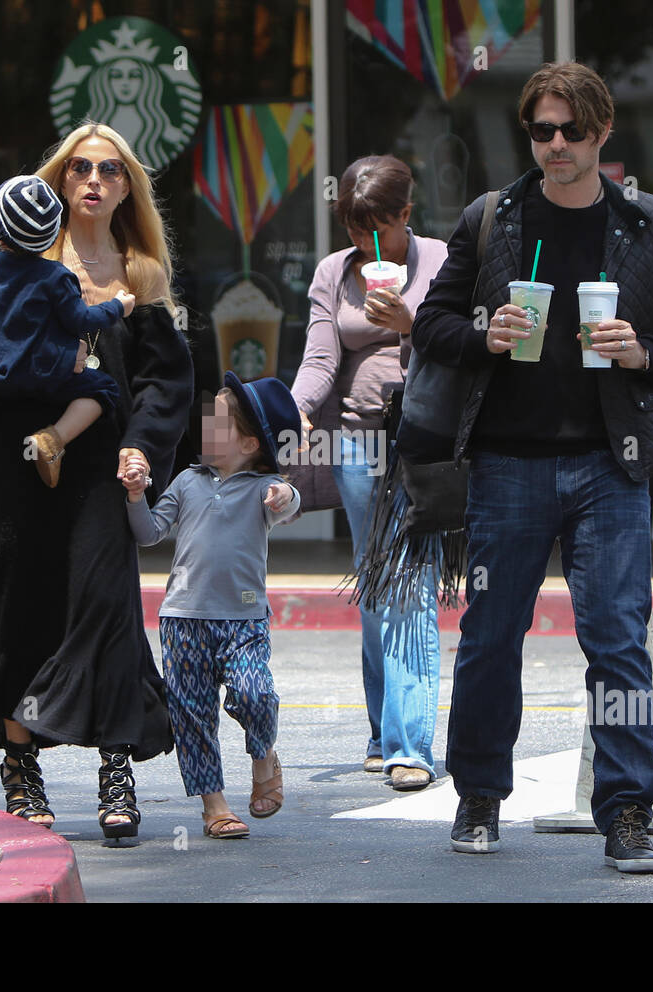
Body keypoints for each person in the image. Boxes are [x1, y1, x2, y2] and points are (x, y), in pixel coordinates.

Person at [410, 62, 653, 872]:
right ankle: (478, 796)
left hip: (611, 464)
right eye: (541, 131)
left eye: (572, 131)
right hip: (507, 461)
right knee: (488, 636)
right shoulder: (493, 218)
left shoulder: (648, 223)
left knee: (617, 645)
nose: (556, 146)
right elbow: (432, 324)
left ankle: (627, 812)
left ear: (602, 132)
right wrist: (487, 338)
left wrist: (642, 351)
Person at [0, 120, 194, 840]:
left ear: (128, 188)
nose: (96, 179)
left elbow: (166, 383)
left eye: (112, 170)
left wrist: (144, 450)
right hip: (13, 462)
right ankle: (21, 770)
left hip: (99, 468)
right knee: (15, 612)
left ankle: (116, 769)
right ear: (60, 180)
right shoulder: (17, 259)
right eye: (82, 167)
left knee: (108, 608)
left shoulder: (141, 275)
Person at [291, 155, 450, 791]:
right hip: (357, 446)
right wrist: (294, 410)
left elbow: (464, 346)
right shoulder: (335, 272)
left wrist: (412, 327)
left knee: (410, 585)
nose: (367, 244)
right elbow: (321, 356)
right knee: (378, 584)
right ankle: (384, 729)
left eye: (378, 229)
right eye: (357, 232)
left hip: (422, 442)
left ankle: (410, 744)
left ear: (405, 215)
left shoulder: (439, 260)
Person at [124, 373, 301, 839]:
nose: (205, 427)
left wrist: (285, 492)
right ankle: (215, 806)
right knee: (193, 714)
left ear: (246, 442)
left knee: (255, 693)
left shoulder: (263, 488)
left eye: (217, 421)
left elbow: (287, 503)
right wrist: (136, 496)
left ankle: (263, 756)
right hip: (183, 618)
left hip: (243, 618)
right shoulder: (186, 481)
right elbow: (149, 534)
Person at [0, 175, 133, 505]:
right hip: (44, 380)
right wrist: (117, 307)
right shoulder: (56, 277)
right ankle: (53, 439)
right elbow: (81, 321)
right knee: (103, 390)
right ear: (52, 235)